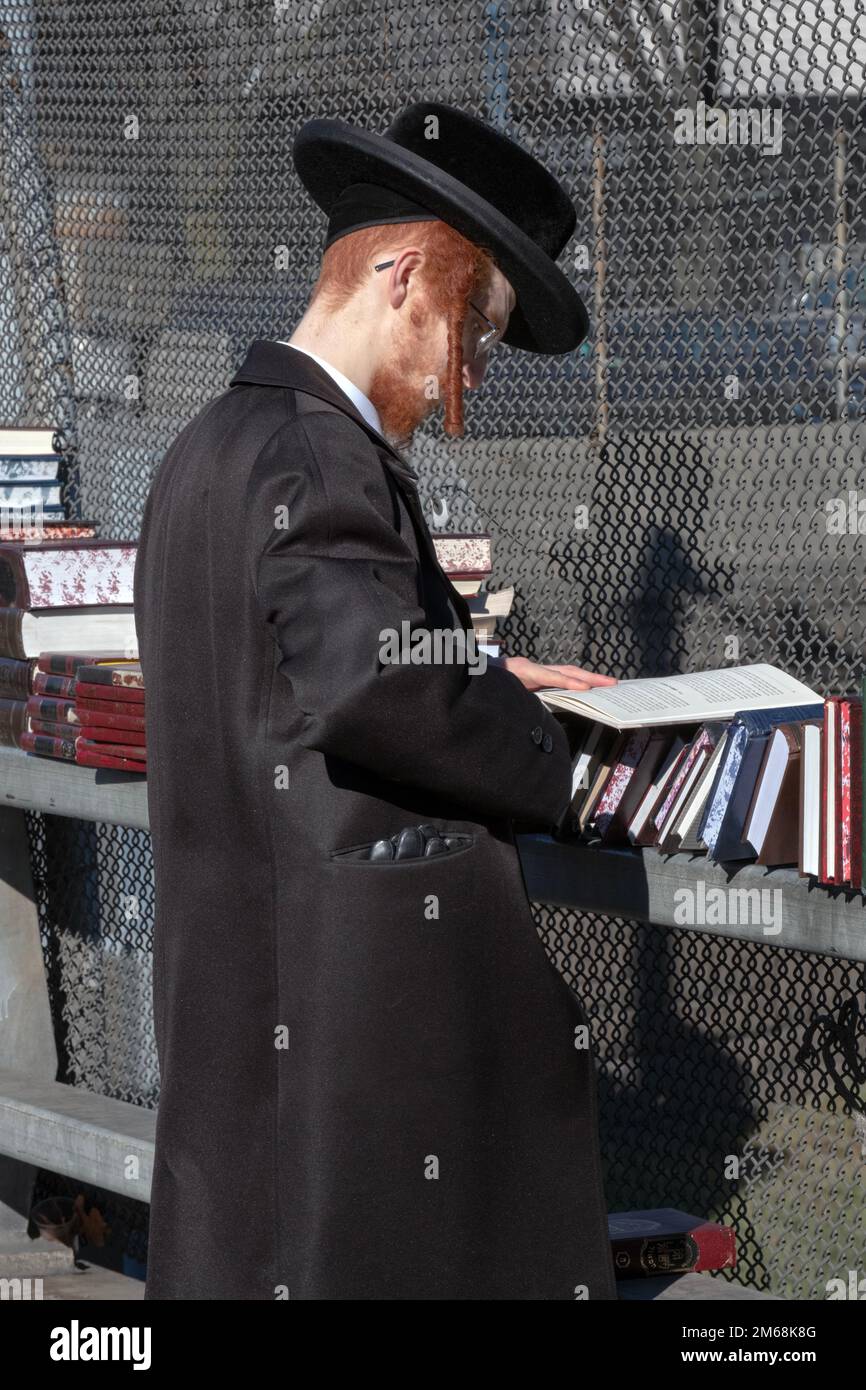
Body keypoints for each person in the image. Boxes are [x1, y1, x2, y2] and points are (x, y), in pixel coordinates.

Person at [134, 100, 619, 1300]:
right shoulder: (321, 458)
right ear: (405, 274)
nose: (474, 372)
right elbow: (366, 685)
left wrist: (480, 670)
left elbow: (305, 674)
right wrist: (565, 752)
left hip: (239, 1006)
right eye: (479, 326)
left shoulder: (207, 445)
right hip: (349, 1029)